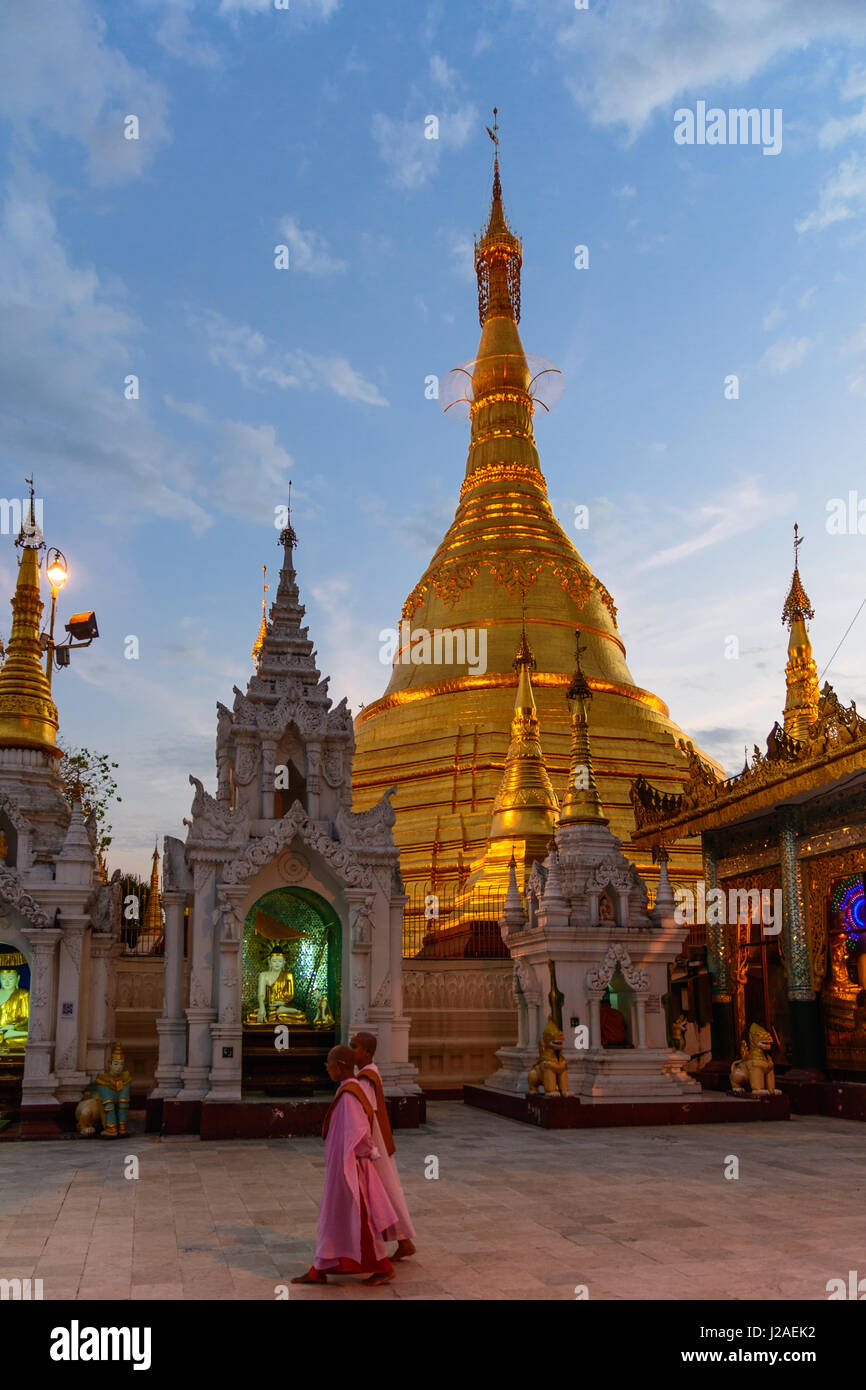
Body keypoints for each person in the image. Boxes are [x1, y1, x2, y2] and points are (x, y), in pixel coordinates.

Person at [292, 1045, 398, 1286]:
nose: (327, 1070)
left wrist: (363, 1156)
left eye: (328, 1065)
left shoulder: (350, 1095)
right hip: (342, 1167)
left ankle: (382, 1267)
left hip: (351, 1170)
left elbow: (361, 1135)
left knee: (357, 1219)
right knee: (336, 1217)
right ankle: (320, 1268)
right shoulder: (349, 1090)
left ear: (339, 1066)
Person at [350, 1031, 416, 1261]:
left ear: (367, 1052)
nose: (351, 1050)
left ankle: (400, 1241)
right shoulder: (366, 1074)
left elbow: (364, 1112)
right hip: (376, 1139)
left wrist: (363, 1146)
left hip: (372, 1142)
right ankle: (402, 1241)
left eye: (354, 1046)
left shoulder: (366, 1077)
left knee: (384, 1191)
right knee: (384, 1190)